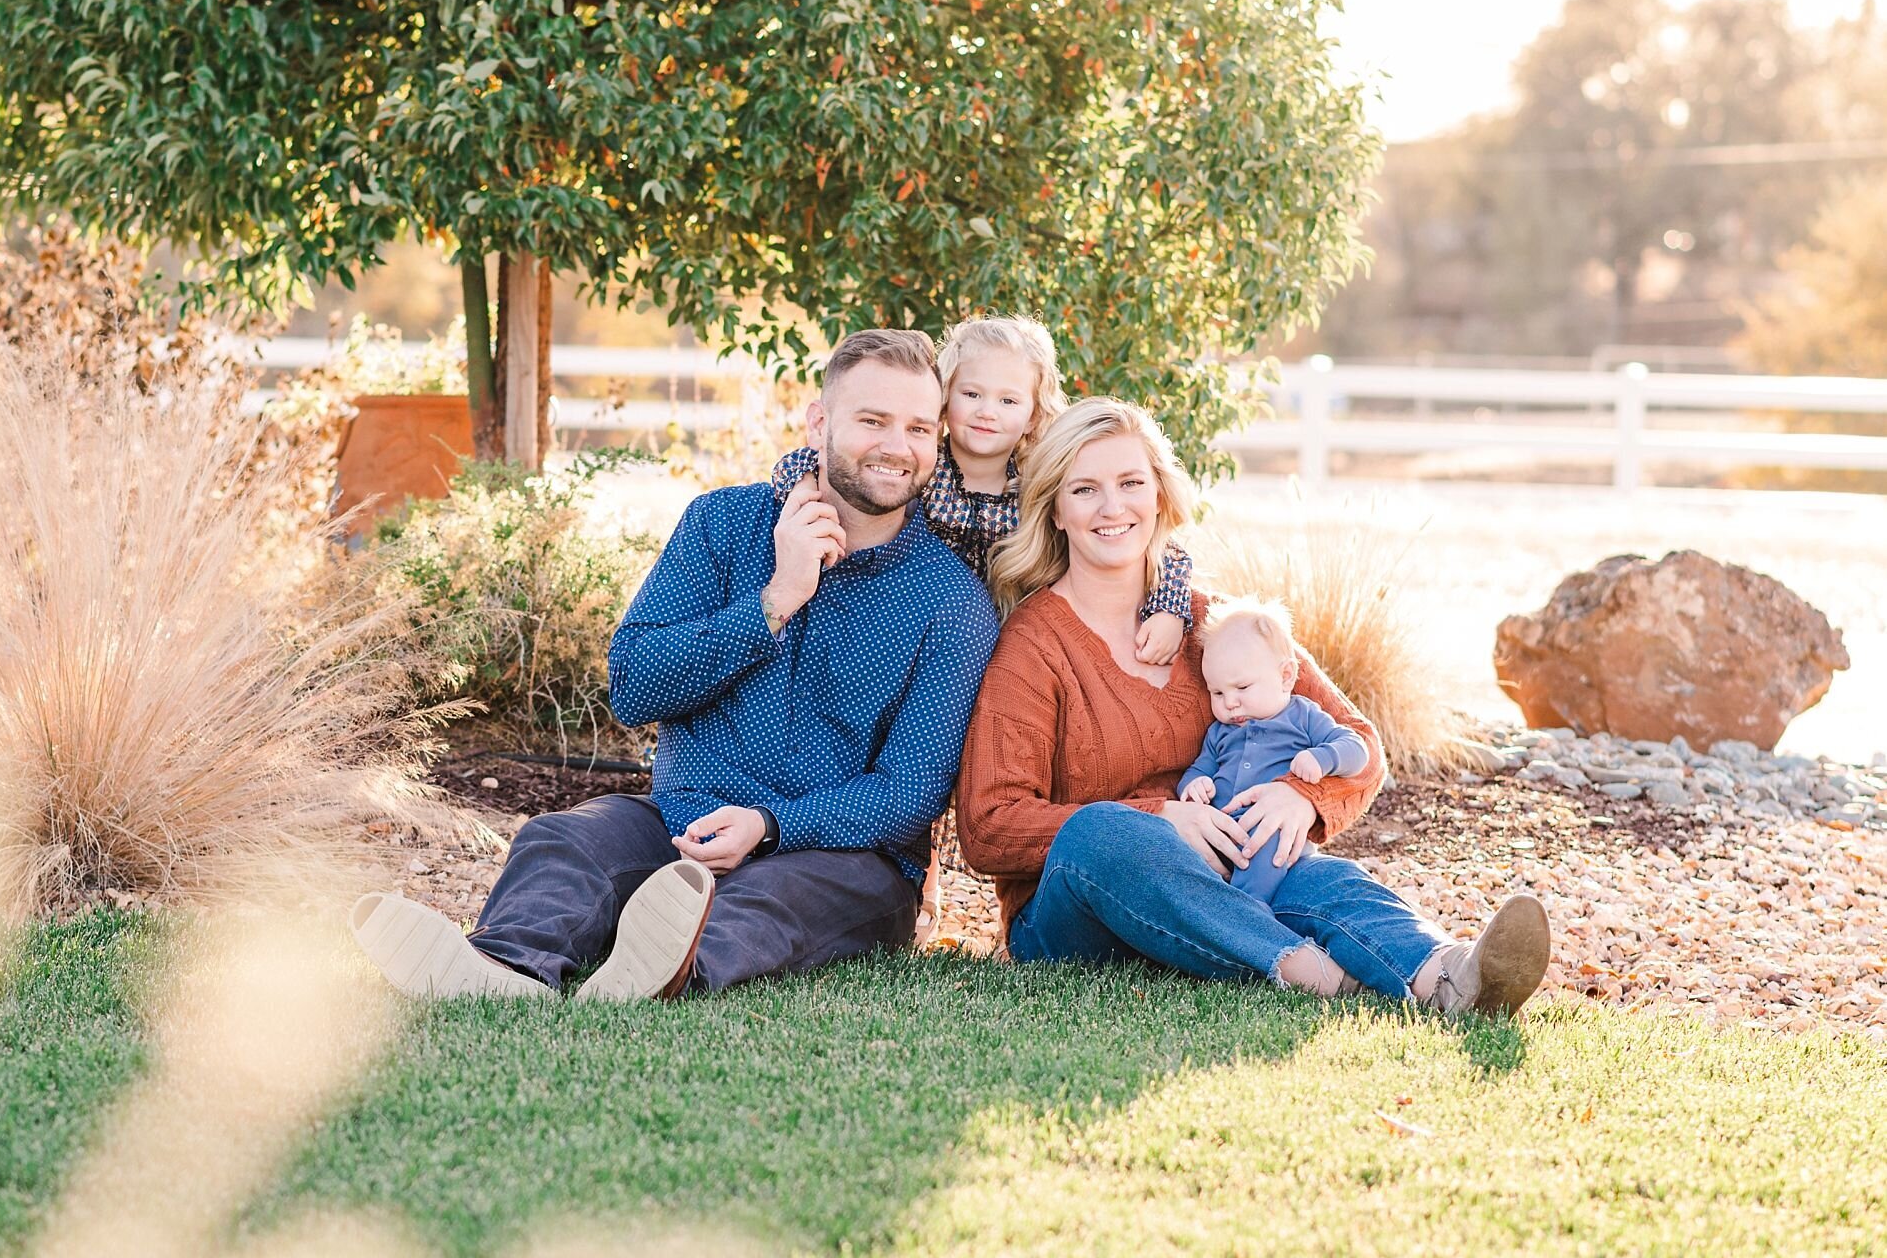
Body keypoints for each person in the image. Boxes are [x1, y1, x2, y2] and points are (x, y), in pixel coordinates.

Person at [349, 328, 1001, 1001]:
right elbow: (633, 684)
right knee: (566, 841)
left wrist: (771, 825)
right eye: (873, 420)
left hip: (842, 859)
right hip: (681, 821)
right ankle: (504, 968)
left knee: (767, 899)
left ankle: (662, 975)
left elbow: (908, 792)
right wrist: (774, 602)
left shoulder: (951, 602)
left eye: (919, 427)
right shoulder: (722, 525)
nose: (898, 446)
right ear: (819, 421)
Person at [954, 397, 1551, 1016]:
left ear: (1159, 495)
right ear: (1055, 509)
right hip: (1078, 919)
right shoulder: (1035, 644)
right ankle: (1303, 969)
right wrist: (1159, 817)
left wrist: (1303, 795)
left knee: (1320, 877)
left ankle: (1450, 977)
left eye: (1131, 483)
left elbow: (1358, 740)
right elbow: (988, 824)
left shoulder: (1218, 624)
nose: (1113, 508)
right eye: (1085, 489)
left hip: (1231, 874)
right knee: (1103, 833)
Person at [766, 315, 1197, 937]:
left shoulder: (1036, 485)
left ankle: (1011, 901)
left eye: (1008, 399)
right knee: (913, 757)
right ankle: (922, 876)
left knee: (994, 765)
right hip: (920, 635)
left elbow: (1165, 548)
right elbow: (804, 469)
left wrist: (1170, 607)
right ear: (944, 396)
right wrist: (799, 494)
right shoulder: (917, 468)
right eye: (970, 394)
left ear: (1034, 409)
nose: (986, 412)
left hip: (1010, 648)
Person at [1177, 597, 1372, 905]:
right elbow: (1200, 768)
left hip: (1275, 831)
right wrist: (1194, 785)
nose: (1229, 703)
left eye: (1241, 688)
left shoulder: (1303, 716)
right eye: (1217, 692)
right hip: (1222, 833)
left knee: (1267, 845)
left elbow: (1357, 750)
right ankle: (1210, 909)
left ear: (1285, 677)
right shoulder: (1220, 732)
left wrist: (1322, 759)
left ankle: (1247, 913)